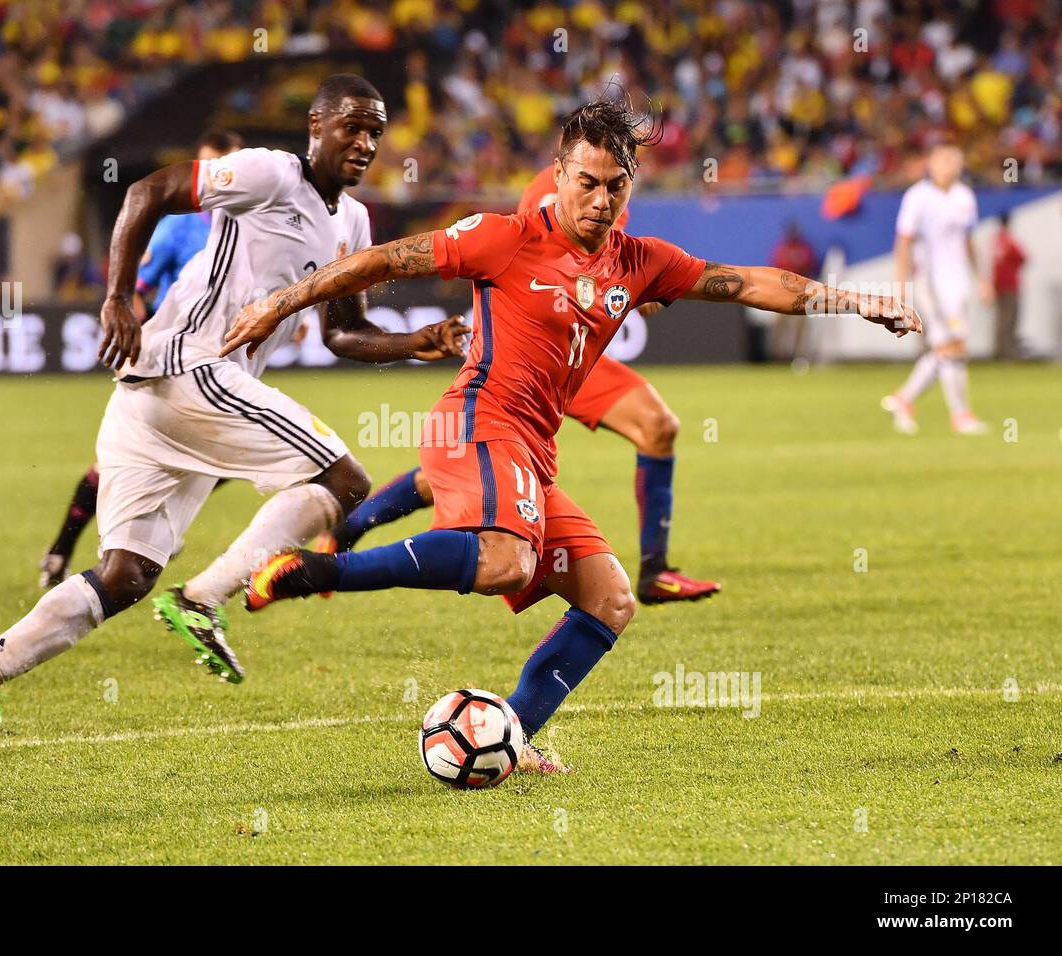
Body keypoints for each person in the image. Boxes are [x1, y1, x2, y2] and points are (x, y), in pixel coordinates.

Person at [220, 98, 920, 771]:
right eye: (586, 182)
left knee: (611, 601)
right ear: (557, 178)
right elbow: (382, 260)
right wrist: (278, 305)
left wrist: (854, 301)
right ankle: (315, 571)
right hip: (479, 419)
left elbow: (743, 285)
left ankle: (512, 736)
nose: (600, 200)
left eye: (616, 187)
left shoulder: (638, 262)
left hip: (533, 449)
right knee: (505, 561)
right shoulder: (506, 237)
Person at [0, 74, 467, 733]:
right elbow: (148, 190)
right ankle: (205, 597)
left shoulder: (351, 220)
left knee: (124, 576)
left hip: (161, 396)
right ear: (316, 125)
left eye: (375, 131)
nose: (364, 141)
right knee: (346, 481)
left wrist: (421, 339)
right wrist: (118, 295)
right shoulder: (269, 172)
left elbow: (341, 332)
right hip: (191, 366)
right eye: (351, 125)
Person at [322, 162, 721, 605]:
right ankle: (345, 537)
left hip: (575, 351)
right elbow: (554, 263)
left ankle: (653, 571)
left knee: (474, 467)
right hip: (541, 350)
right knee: (483, 464)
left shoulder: (607, 190)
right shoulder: (563, 189)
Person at [38, 130, 242, 590]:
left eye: (226, 169)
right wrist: (136, 332)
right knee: (115, 466)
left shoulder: (252, 226)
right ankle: (62, 550)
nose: (218, 180)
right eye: (209, 169)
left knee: (230, 457)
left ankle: (153, 531)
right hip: (169, 359)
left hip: (219, 364)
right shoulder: (178, 226)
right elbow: (140, 290)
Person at [881, 144, 989, 435]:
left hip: (958, 284)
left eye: (955, 160)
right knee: (950, 347)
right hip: (932, 284)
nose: (949, 165)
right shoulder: (918, 197)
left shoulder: (964, 196)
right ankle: (960, 416)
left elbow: (967, 241)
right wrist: (900, 284)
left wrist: (981, 278)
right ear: (930, 164)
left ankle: (903, 399)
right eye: (943, 160)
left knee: (952, 348)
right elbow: (903, 242)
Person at [768, 221, 819, 364]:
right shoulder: (782, 248)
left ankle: (798, 356)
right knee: (779, 323)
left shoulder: (804, 248)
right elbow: (776, 268)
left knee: (800, 324)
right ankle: (776, 356)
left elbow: (810, 266)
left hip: (800, 291)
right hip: (782, 290)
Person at [990, 212, 1026, 360]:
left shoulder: (996, 240)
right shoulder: (1009, 240)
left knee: (1001, 318)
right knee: (1010, 318)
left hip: (999, 284)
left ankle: (1000, 349)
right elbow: (1023, 257)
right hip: (1010, 284)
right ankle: (1007, 351)